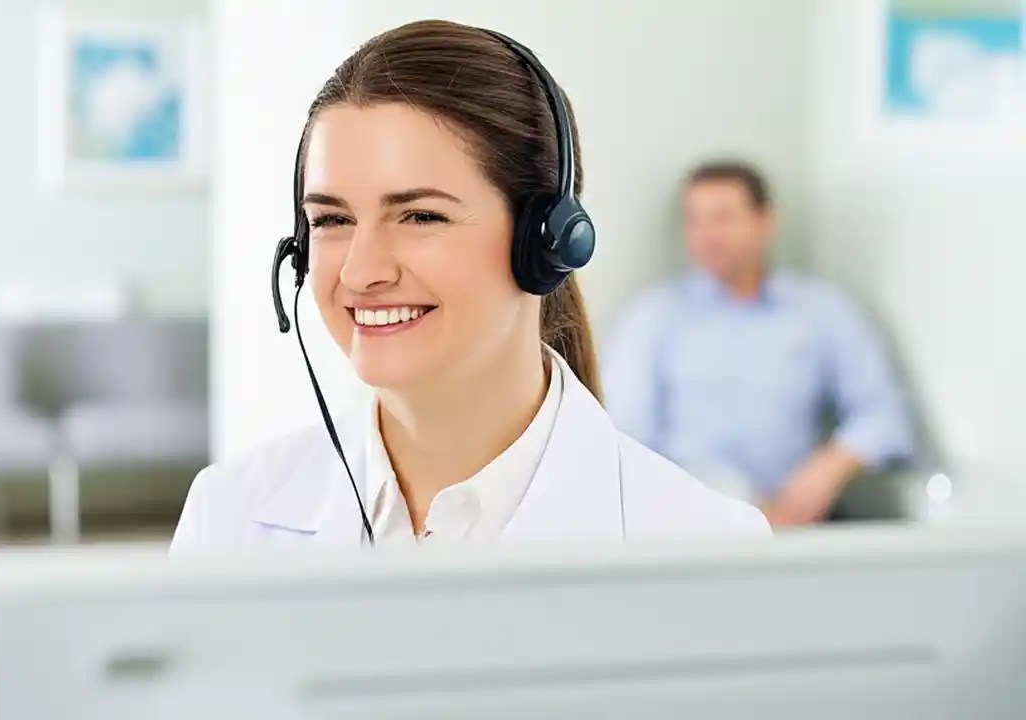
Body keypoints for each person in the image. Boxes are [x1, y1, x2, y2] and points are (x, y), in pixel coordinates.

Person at [171, 21, 768, 551]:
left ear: (546, 242)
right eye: (331, 220)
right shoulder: (227, 517)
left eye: (420, 216)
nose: (360, 271)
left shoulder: (707, 545)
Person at [601, 161, 915, 527]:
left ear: (765, 221)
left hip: (794, 527)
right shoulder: (651, 318)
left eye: (722, 218)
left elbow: (886, 414)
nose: (707, 235)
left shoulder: (821, 313)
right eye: (695, 220)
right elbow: (623, 439)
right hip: (683, 528)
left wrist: (829, 467)